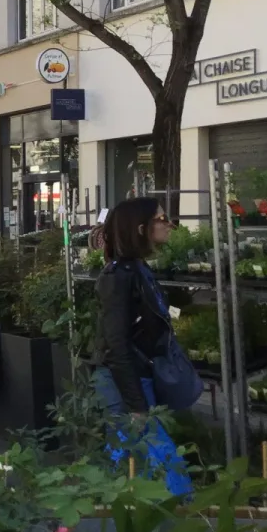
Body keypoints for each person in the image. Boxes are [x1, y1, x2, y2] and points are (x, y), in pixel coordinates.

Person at [93, 197, 193, 498]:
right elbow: (115, 345)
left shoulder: (137, 269)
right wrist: (136, 405)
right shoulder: (118, 277)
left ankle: (122, 517)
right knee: (160, 466)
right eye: (161, 219)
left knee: (131, 464)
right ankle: (176, 512)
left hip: (137, 379)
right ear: (141, 228)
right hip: (124, 384)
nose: (169, 224)